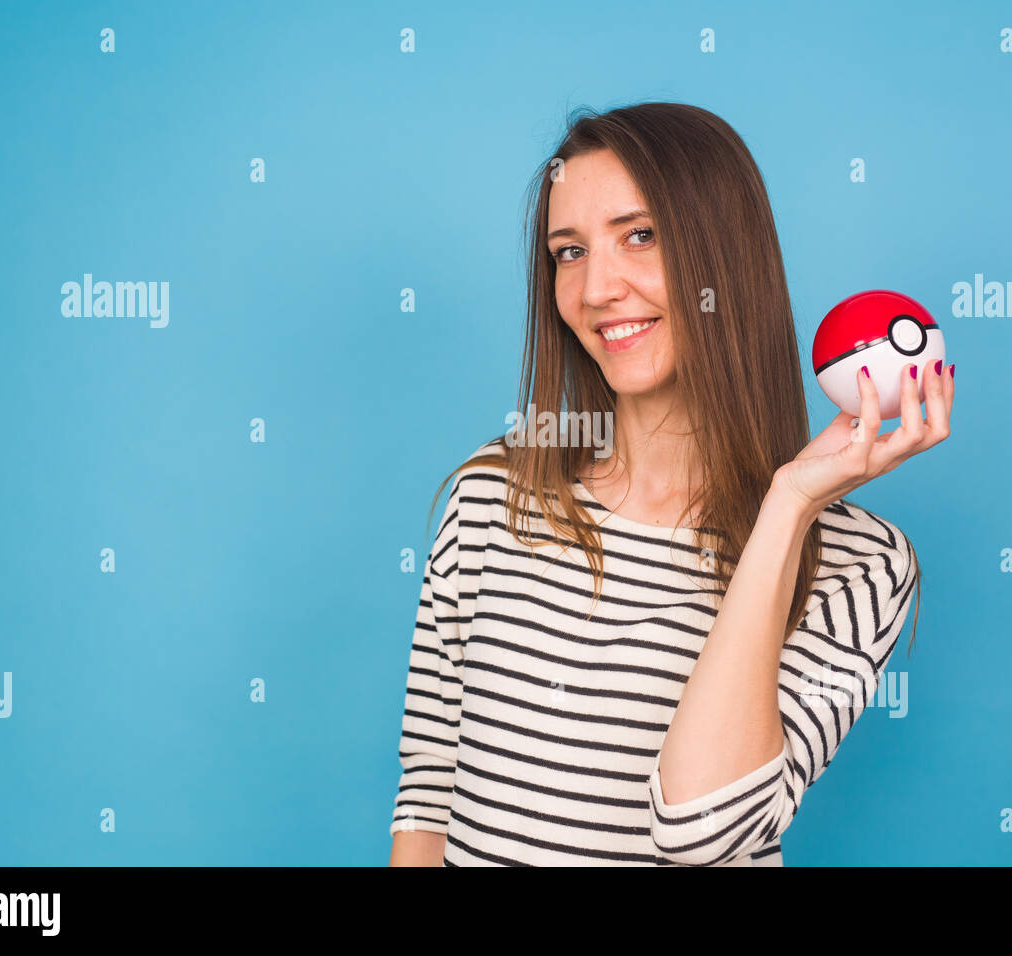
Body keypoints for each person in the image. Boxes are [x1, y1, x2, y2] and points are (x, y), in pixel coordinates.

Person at [388, 102, 954, 866]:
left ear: (727, 256)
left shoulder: (860, 565)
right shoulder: (491, 495)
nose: (595, 290)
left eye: (641, 236)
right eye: (569, 252)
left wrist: (786, 509)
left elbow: (700, 830)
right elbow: (428, 792)